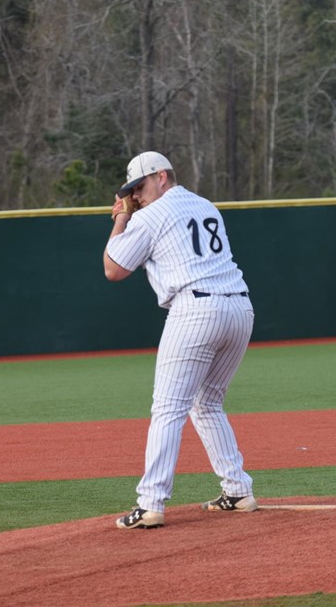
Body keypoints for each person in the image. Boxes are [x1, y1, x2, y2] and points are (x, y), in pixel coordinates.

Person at [103, 151, 258, 530]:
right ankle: (238, 490)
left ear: (162, 176)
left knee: (168, 409)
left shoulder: (151, 215)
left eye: (139, 186)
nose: (134, 195)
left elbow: (113, 269)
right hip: (239, 308)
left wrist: (121, 217)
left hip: (196, 310)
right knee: (207, 403)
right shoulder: (205, 205)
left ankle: (150, 503)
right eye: (130, 191)